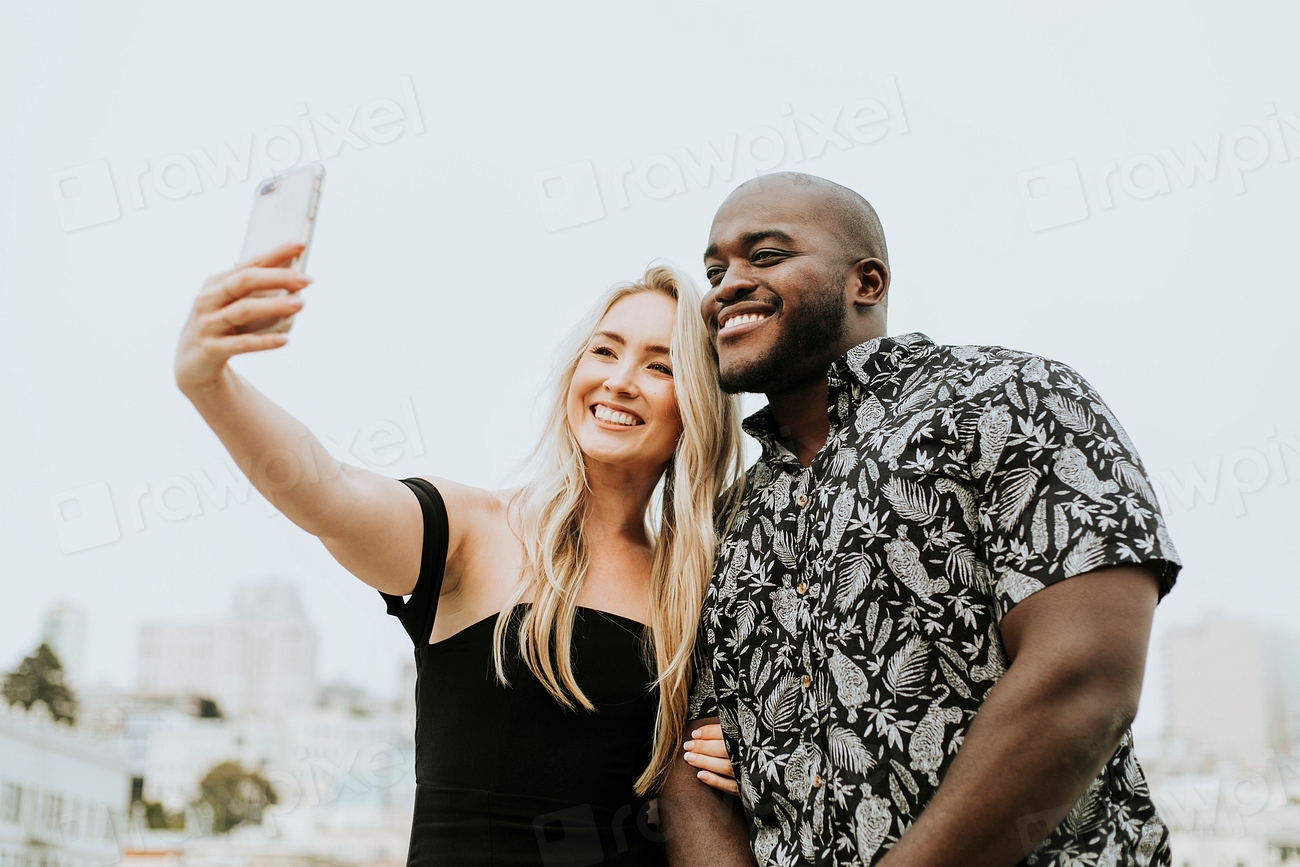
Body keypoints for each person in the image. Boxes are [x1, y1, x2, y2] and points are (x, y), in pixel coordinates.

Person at [662, 173, 1181, 867]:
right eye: (716, 269)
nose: (725, 285)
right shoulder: (728, 518)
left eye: (766, 255)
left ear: (866, 281)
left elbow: (1084, 678)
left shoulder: (1012, 399)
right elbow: (693, 769)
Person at [173, 245, 748, 866]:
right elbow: (328, 493)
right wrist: (211, 384)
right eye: (605, 350)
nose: (619, 380)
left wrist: (751, 758)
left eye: (659, 367)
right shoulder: (476, 532)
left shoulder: (704, 587)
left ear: (697, 403)